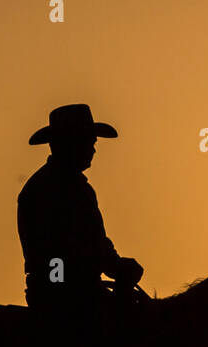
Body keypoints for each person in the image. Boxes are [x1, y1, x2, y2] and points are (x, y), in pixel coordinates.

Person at [17, 104, 145, 332]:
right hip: (66, 297)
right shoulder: (61, 189)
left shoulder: (52, 186)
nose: (93, 150)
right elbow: (75, 248)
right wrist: (116, 267)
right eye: (89, 142)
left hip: (60, 289)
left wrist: (113, 265)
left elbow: (91, 245)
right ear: (69, 144)